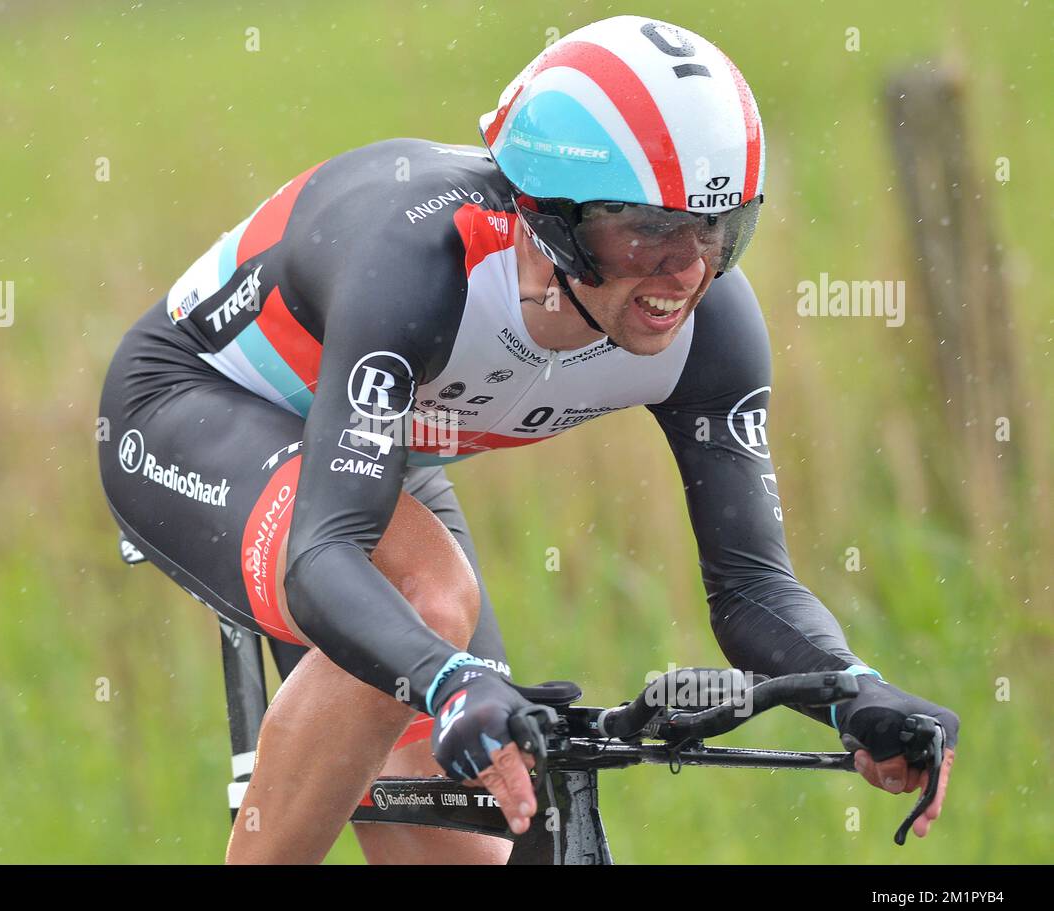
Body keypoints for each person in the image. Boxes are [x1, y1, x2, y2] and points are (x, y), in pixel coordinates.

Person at [97, 15, 958, 864]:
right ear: (552, 221)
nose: (687, 271)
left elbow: (753, 588)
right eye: (650, 232)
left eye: (716, 229)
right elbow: (326, 550)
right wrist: (447, 674)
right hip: (188, 405)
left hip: (378, 460)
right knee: (430, 602)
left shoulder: (711, 327)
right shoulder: (420, 264)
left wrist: (854, 691)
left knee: (504, 844)